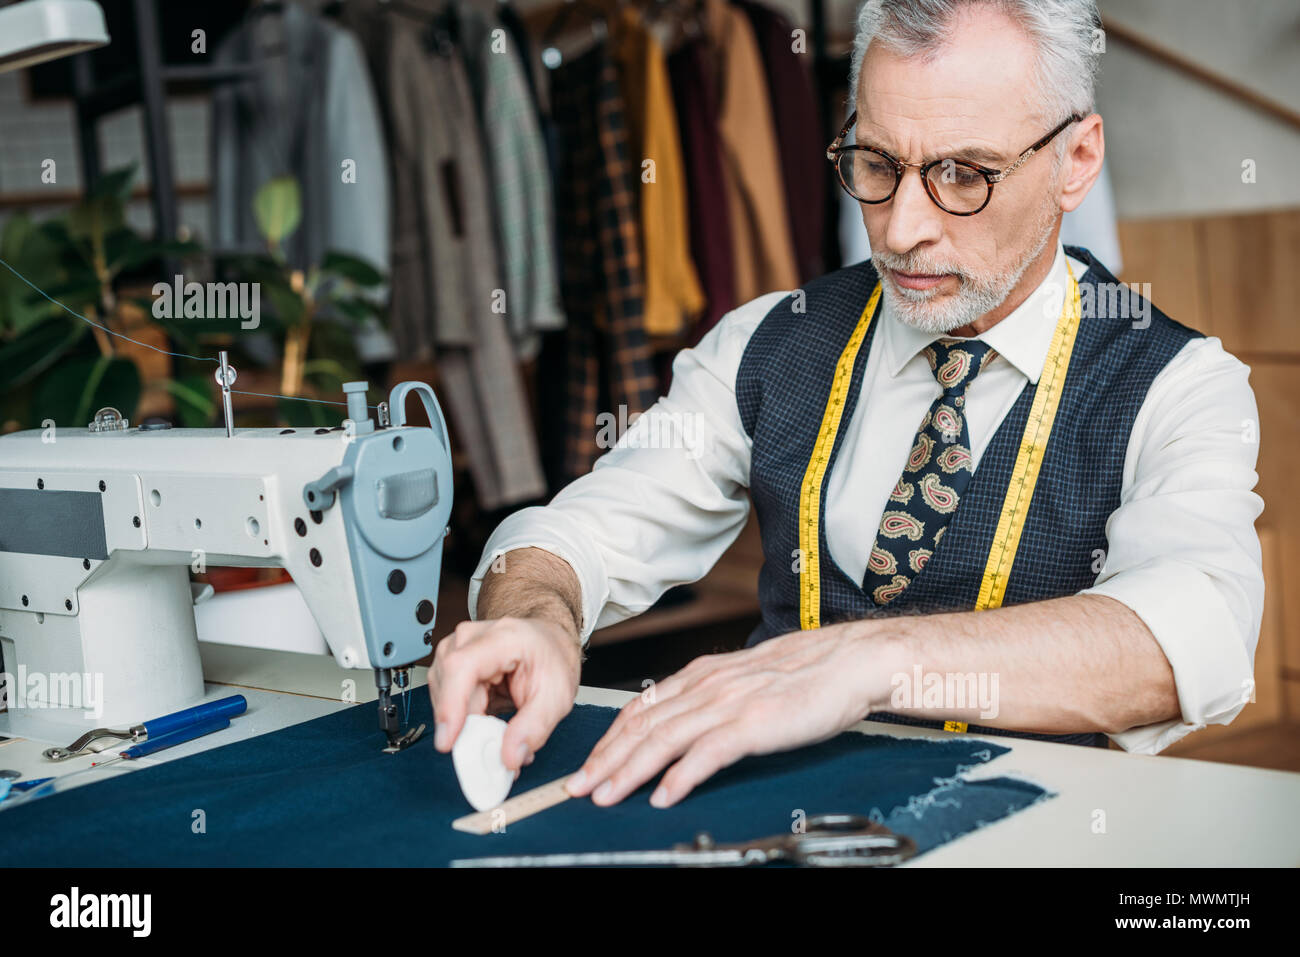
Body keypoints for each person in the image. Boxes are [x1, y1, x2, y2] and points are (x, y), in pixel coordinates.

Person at [428, 0, 1263, 810]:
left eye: (962, 175)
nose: (900, 229)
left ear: (1077, 160)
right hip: (774, 827)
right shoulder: (767, 341)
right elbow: (568, 538)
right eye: (874, 164)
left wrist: (867, 660)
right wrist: (532, 617)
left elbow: (1192, 634)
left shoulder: (1178, 382)